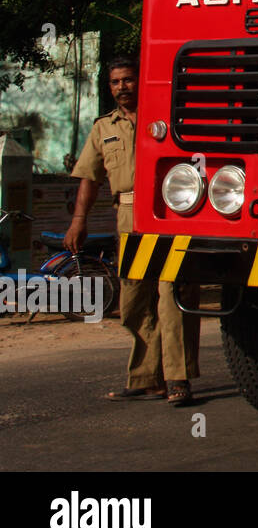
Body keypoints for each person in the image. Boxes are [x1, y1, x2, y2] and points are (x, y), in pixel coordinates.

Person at [65, 56, 200, 405]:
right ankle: (146, 378)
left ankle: (177, 379)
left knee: (173, 296)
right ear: (109, 87)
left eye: (128, 80)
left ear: (140, 81)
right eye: (115, 82)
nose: (122, 87)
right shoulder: (103, 128)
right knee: (134, 300)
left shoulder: (169, 116)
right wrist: (79, 220)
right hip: (128, 216)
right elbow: (89, 179)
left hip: (171, 212)